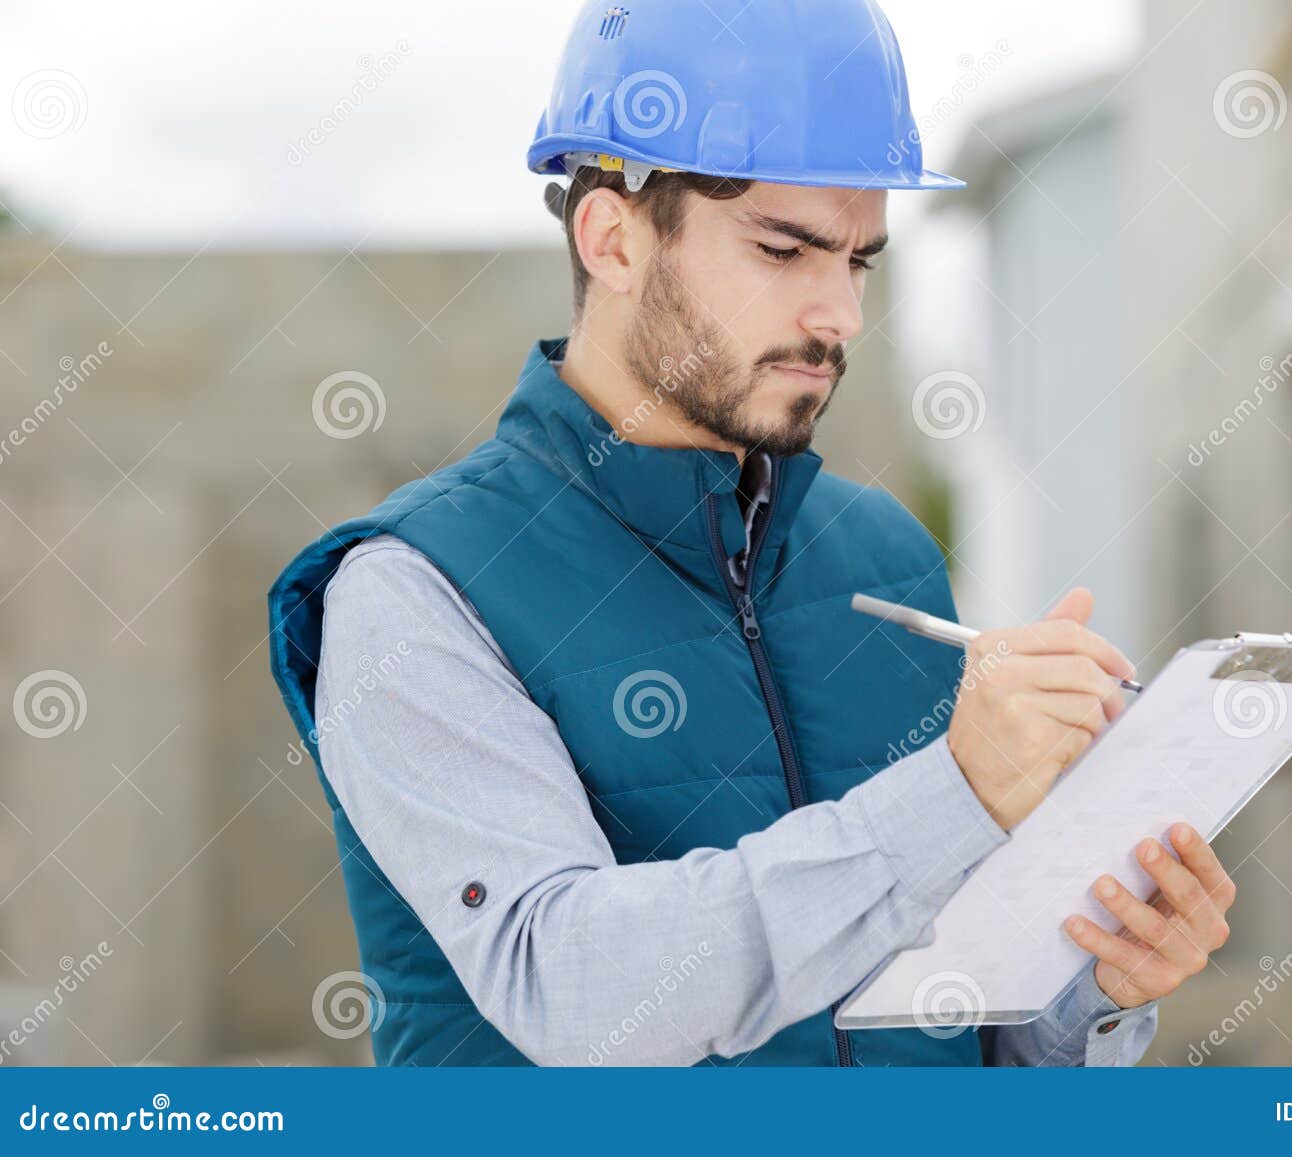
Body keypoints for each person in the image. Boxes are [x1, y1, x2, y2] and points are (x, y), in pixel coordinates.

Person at [266, 0, 1235, 1067]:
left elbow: (953, 1036)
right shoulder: (419, 590)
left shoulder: (885, 556)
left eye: (858, 260)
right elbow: (573, 992)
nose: (841, 315)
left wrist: (1092, 987)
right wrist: (955, 790)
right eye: (784, 250)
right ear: (614, 238)